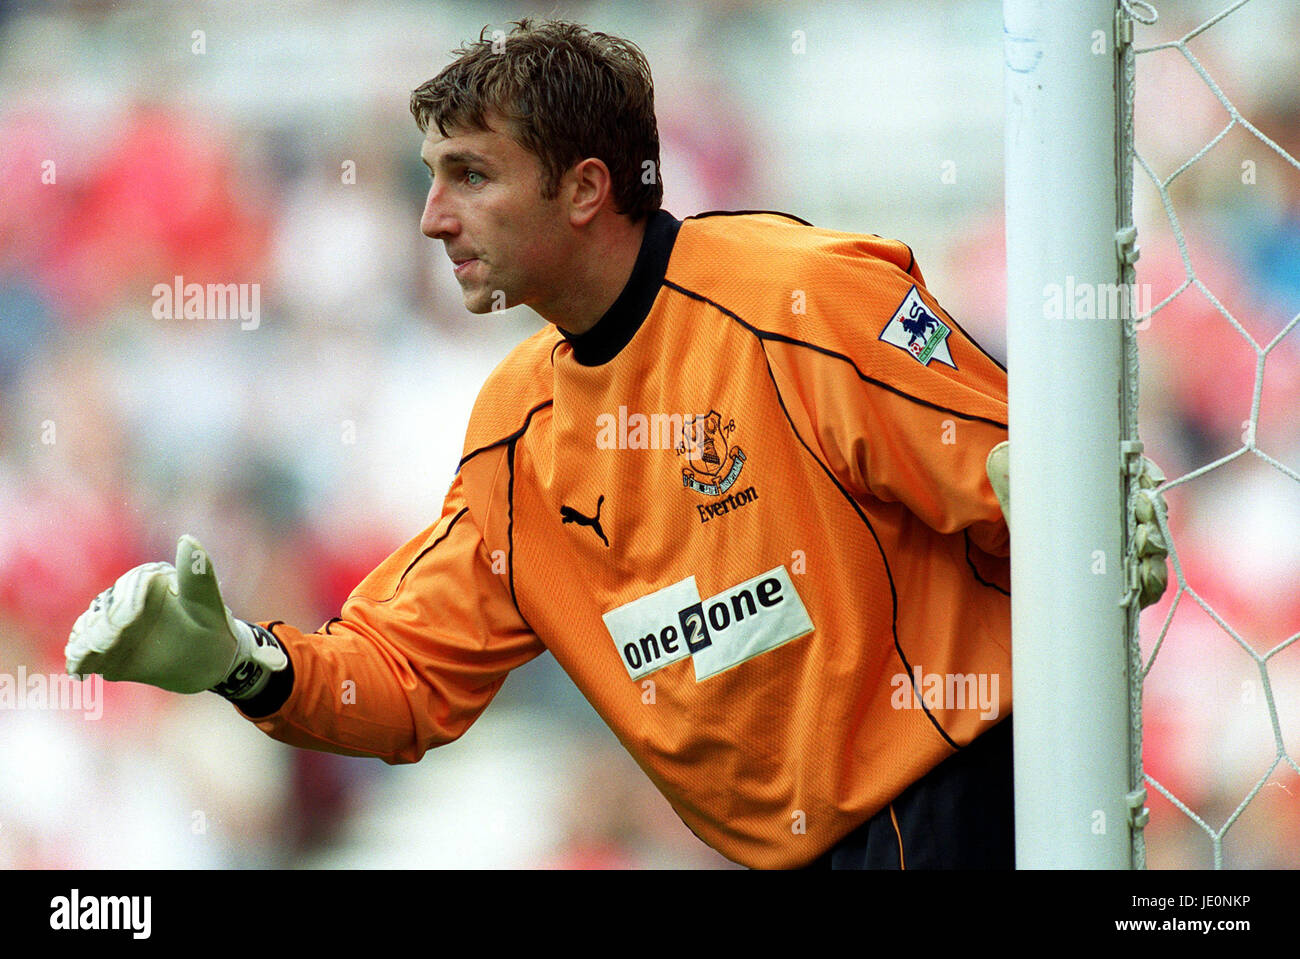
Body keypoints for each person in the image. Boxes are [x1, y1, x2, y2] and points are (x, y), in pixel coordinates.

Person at [64, 18, 1166, 869]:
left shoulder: (796, 295)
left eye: (471, 175)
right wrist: (239, 662)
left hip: (960, 800)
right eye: (431, 176)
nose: (431, 216)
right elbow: (405, 679)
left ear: (587, 186)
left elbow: (1020, 475)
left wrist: (1074, 504)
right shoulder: (517, 427)